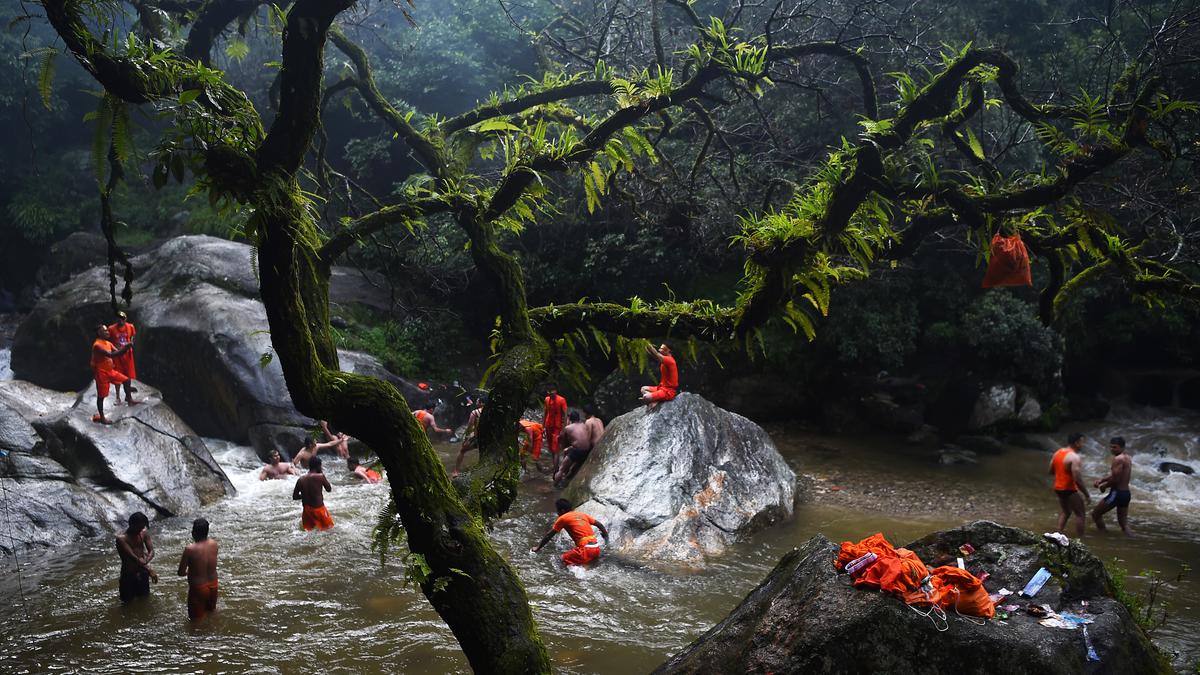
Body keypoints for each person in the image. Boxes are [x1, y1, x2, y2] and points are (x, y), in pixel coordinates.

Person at [531, 498, 610, 566]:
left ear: (562, 510)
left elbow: (549, 535)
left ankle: (569, 576)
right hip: (596, 549)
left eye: (557, 511)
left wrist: (538, 548)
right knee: (584, 562)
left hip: (586, 549)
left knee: (560, 560)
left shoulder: (563, 518)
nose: (557, 513)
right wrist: (606, 538)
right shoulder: (582, 514)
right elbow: (599, 525)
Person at [177, 517, 219, 621]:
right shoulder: (214, 544)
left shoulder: (190, 549)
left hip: (198, 589)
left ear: (194, 533)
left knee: (196, 622)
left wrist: (189, 572)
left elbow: (181, 572)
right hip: (213, 585)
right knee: (211, 613)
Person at [1050, 432, 1091, 538]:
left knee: (1066, 511)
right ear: (1076, 443)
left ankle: (1057, 533)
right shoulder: (1074, 457)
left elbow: (1051, 470)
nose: (1083, 445)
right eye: (1082, 442)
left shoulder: (1058, 452)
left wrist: (1062, 473)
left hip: (1058, 488)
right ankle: (1080, 540)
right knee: (1080, 514)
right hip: (1069, 489)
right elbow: (1077, 479)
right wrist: (1086, 494)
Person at [90, 325, 132, 424]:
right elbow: (112, 355)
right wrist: (126, 348)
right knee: (101, 396)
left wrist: (126, 347)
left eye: (107, 331)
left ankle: (129, 399)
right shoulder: (97, 345)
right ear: (99, 333)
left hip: (110, 371)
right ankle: (102, 417)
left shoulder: (108, 343)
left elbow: (117, 351)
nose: (108, 332)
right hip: (102, 373)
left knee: (127, 380)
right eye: (105, 331)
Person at [1092, 436, 1133, 535]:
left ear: (1122, 447)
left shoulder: (1118, 459)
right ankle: (1132, 539)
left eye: (1115, 447)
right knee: (1123, 523)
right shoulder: (1127, 458)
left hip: (1117, 494)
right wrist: (1102, 480)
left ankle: (1103, 536)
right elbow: (1116, 475)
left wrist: (1104, 486)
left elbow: (1115, 479)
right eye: (1110, 447)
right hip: (1125, 493)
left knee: (1096, 514)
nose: (1112, 449)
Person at [115, 511, 158, 603]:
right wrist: (149, 569)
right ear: (131, 524)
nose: (140, 529)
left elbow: (151, 551)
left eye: (143, 527)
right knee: (127, 603)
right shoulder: (121, 539)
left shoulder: (143, 533)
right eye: (139, 527)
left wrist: (146, 562)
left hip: (142, 572)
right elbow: (133, 558)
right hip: (128, 574)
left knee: (145, 601)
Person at [106, 310, 138, 406]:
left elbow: (133, 336)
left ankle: (128, 396)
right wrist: (112, 350)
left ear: (125, 319)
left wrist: (131, 342)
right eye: (119, 319)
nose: (121, 321)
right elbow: (107, 340)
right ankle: (117, 397)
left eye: (123, 319)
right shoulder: (111, 329)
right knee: (117, 377)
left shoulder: (130, 327)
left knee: (128, 376)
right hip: (117, 356)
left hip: (128, 356)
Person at [293, 456, 334, 530]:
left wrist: (305, 496)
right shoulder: (320, 476)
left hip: (306, 511)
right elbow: (329, 489)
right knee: (329, 530)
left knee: (309, 531)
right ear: (318, 466)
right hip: (319, 509)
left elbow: (295, 497)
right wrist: (321, 472)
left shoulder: (301, 479)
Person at [553, 411, 592, 488]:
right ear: (578, 418)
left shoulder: (568, 428)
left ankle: (554, 486)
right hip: (587, 450)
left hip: (577, 451)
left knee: (561, 469)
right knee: (573, 464)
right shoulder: (583, 425)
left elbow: (561, 439)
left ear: (570, 419)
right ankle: (567, 480)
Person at [452, 397, 485, 477]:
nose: (476, 402)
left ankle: (456, 471)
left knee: (462, 450)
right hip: (488, 438)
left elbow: (469, 427)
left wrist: (466, 438)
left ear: (481, 403)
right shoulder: (491, 412)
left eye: (477, 401)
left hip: (477, 438)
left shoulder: (475, 412)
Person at [639, 342, 678, 409]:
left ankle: (655, 399)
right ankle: (656, 399)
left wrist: (647, 343)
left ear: (668, 350)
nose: (659, 350)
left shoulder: (669, 360)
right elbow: (654, 355)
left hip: (668, 391)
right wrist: (645, 346)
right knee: (643, 389)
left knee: (646, 397)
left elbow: (656, 354)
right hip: (662, 388)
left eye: (662, 349)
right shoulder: (664, 359)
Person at [543, 386, 569, 475]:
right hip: (548, 426)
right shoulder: (547, 399)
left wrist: (564, 429)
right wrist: (543, 426)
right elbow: (545, 412)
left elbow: (565, 415)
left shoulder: (561, 400)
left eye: (552, 391)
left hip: (557, 428)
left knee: (556, 449)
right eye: (549, 392)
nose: (550, 393)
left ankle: (555, 472)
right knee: (551, 449)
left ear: (555, 391)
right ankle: (556, 468)